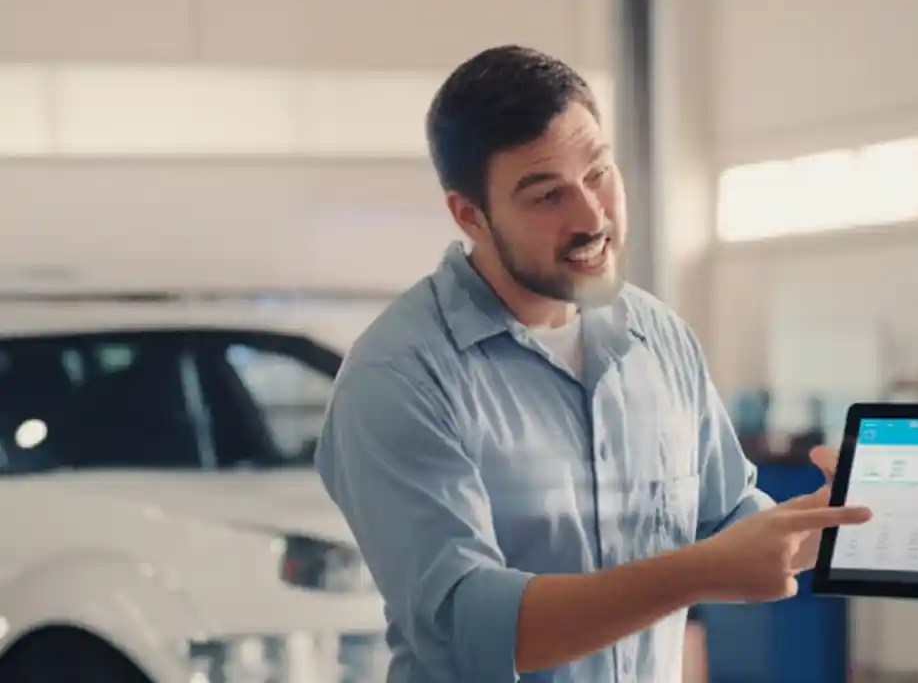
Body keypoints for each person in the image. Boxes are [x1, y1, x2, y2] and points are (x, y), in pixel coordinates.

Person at [314, 45, 871, 683]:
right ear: (471, 215)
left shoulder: (659, 338)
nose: (591, 215)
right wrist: (704, 570)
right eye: (546, 195)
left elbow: (724, 522)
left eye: (599, 173)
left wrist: (821, 522)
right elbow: (465, 628)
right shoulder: (401, 377)